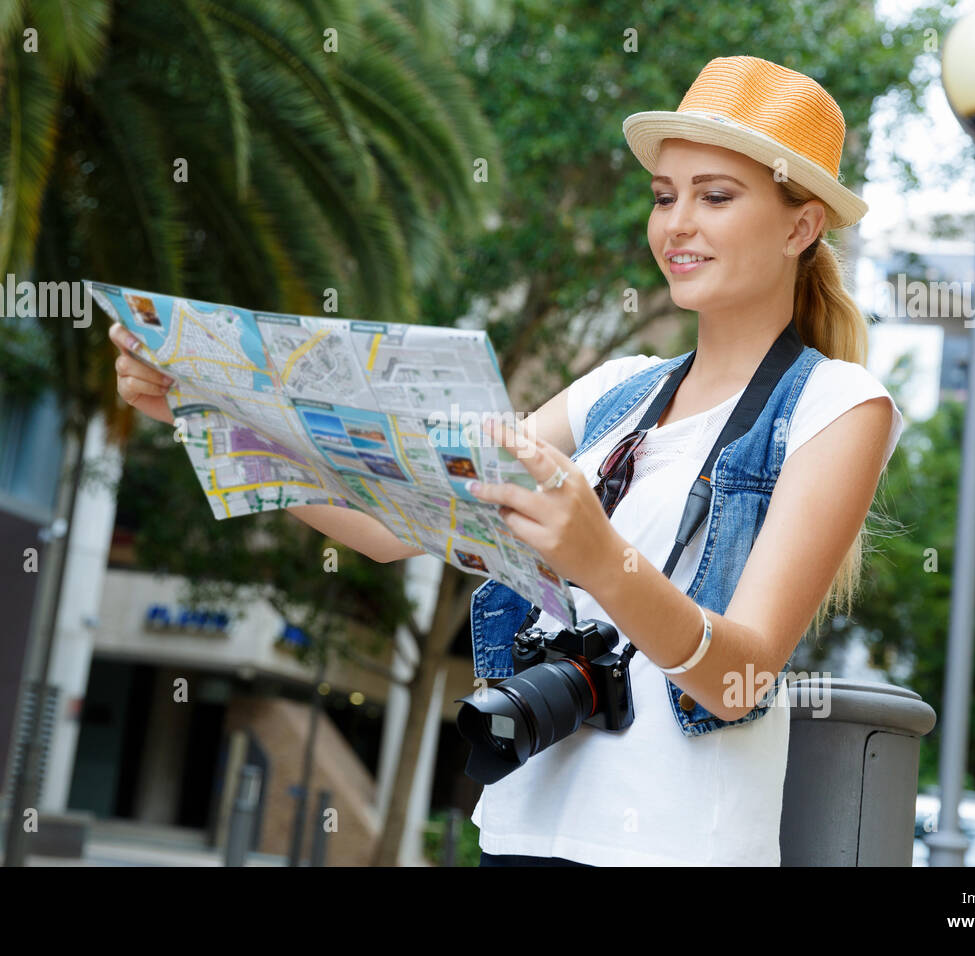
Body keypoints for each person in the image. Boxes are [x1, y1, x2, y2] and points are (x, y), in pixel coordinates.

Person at [111, 55, 905, 868]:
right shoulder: (615, 391)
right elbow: (389, 531)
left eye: (716, 196)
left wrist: (600, 559)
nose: (676, 225)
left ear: (800, 226)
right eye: (665, 196)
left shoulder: (839, 407)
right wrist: (206, 412)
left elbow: (740, 674)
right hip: (518, 830)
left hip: (678, 849)